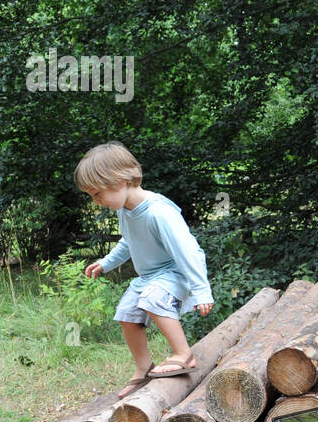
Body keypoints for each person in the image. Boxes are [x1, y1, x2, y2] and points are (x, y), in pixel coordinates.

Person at [74, 142, 214, 398]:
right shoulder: (126, 210)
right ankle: (143, 366)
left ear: (120, 180)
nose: (96, 202)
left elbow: (188, 251)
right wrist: (107, 262)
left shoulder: (159, 212)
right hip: (150, 276)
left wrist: (202, 290)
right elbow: (128, 241)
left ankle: (184, 354)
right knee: (127, 313)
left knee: (152, 298)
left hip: (175, 273)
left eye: (97, 194)